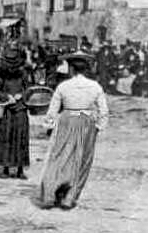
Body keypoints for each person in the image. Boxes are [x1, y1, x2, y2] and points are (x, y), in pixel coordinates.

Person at [39, 52, 108, 210]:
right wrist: (98, 127)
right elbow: (103, 110)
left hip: (66, 120)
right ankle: (69, 198)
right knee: (81, 160)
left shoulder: (63, 86)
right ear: (86, 69)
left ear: (71, 69)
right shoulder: (95, 86)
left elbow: (53, 110)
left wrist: (49, 125)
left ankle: (51, 193)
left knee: (59, 157)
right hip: (86, 123)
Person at [0, 46, 30, 179]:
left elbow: (30, 90)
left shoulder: (23, 72)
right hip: (5, 108)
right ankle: (6, 167)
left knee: (20, 138)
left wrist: (21, 95)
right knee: (5, 138)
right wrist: (6, 97)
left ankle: (20, 169)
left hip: (20, 108)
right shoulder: (0, 72)